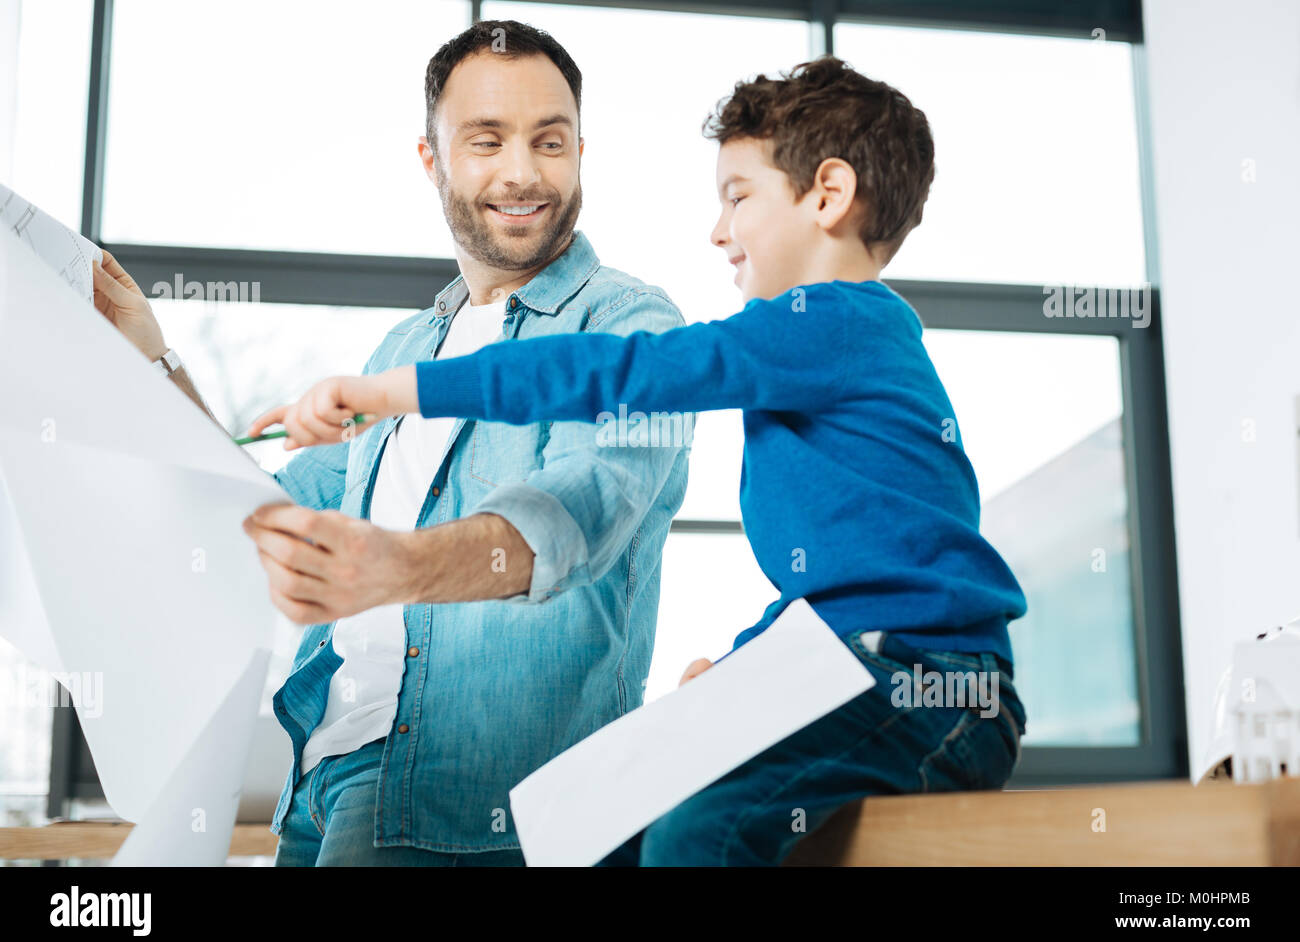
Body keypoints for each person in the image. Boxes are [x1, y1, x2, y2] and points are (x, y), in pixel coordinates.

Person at [249, 56, 1031, 866]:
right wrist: (743, 668)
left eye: (737, 198)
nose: (719, 232)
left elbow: (613, 373)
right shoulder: (829, 341)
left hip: (931, 689)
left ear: (827, 195)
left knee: (699, 832)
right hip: (864, 665)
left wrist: (394, 391)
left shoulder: (826, 322)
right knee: (592, 805)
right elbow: (855, 578)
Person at [91, 20, 690, 866]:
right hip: (323, 777)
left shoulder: (631, 328)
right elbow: (263, 503)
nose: (522, 171)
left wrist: (394, 567)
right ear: (431, 160)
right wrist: (149, 355)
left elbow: (578, 515)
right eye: (486, 140)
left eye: (549, 141)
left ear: (581, 152)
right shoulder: (405, 352)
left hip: (473, 801)